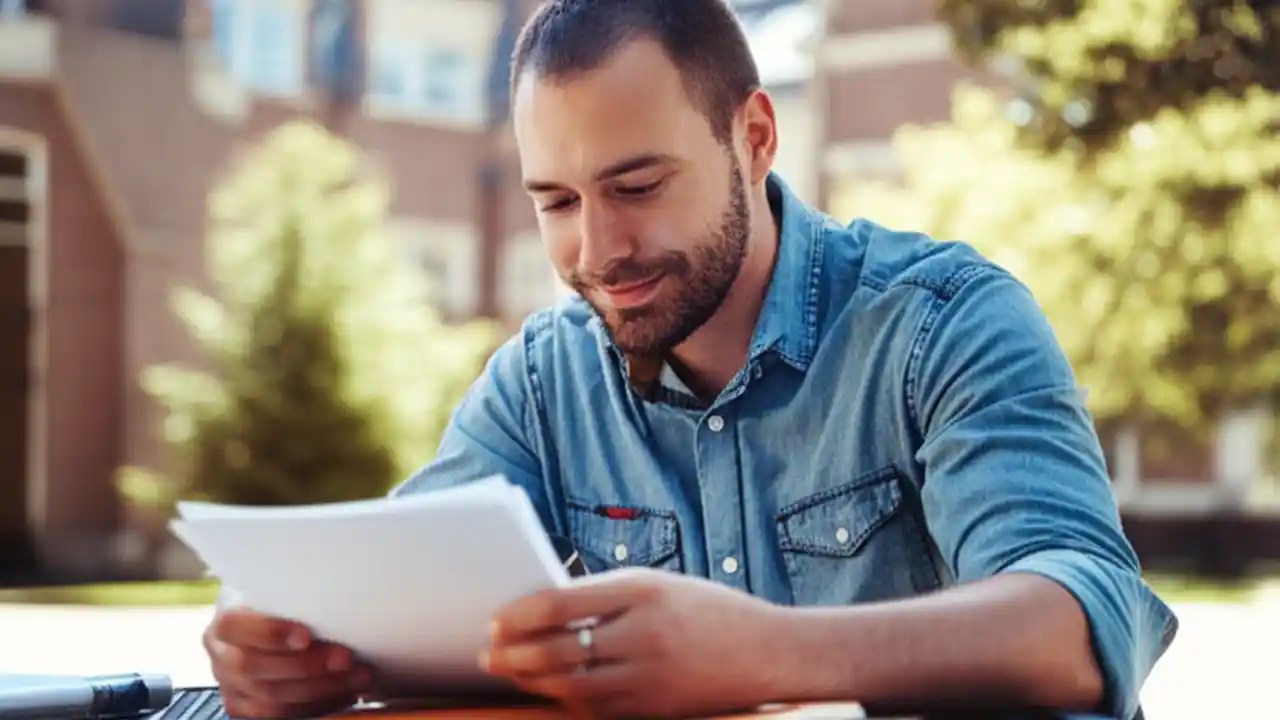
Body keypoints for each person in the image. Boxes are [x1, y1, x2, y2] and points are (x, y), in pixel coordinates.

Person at [200, 1, 1177, 718]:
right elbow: (388, 590)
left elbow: (1078, 630)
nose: (597, 250)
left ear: (753, 138)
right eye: (556, 202)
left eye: (636, 186)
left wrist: (765, 653)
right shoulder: (542, 383)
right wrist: (289, 648)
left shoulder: (943, 323)